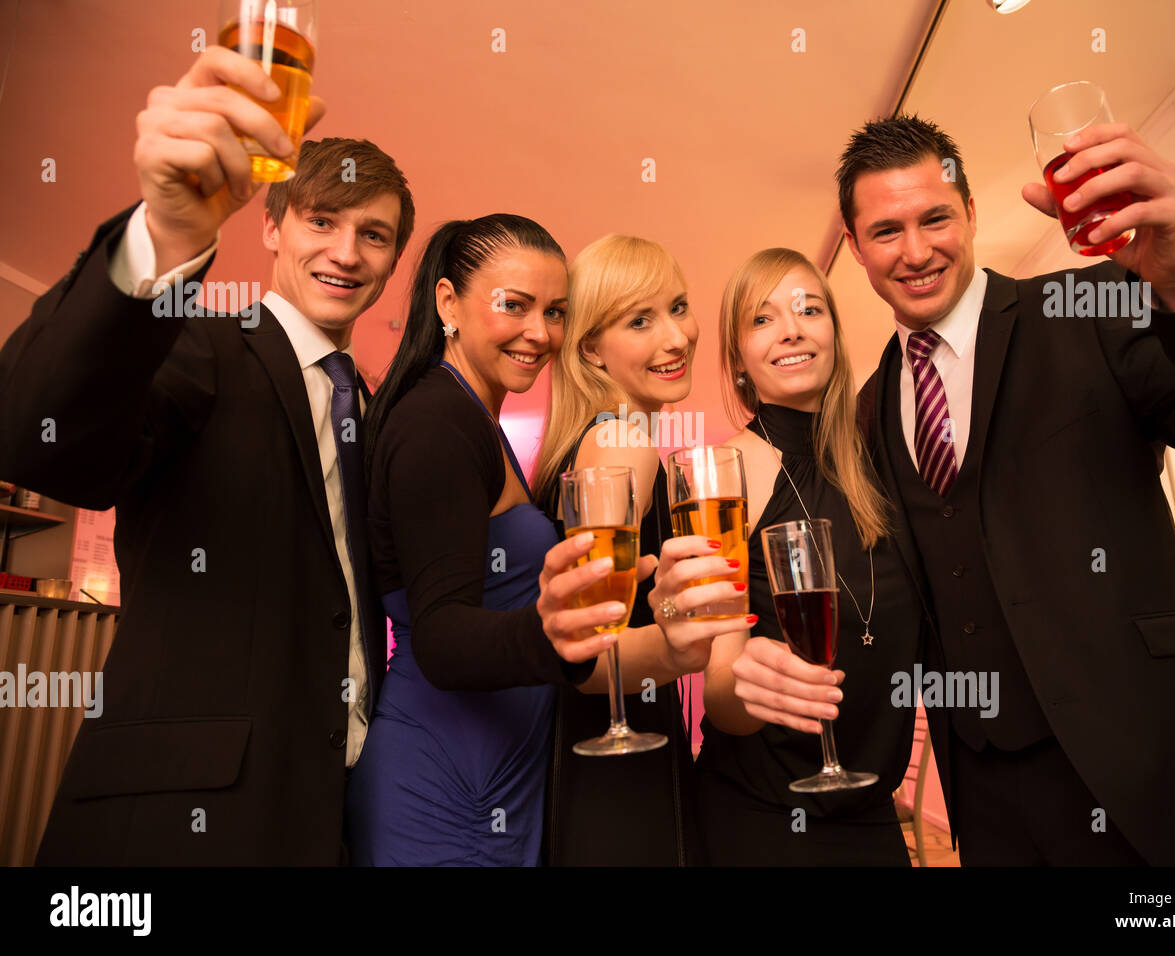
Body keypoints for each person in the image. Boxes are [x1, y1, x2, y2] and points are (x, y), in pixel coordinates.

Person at [832, 114, 1175, 864]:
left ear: (972, 212)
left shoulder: (1093, 303)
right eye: (886, 231)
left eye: (936, 218)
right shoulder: (865, 411)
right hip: (996, 802)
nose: (916, 252)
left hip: (1166, 763)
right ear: (854, 247)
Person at [0, 48, 415, 864]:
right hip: (179, 820)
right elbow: (32, 432)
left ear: (394, 261)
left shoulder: (376, 409)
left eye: (375, 235)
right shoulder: (203, 345)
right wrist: (165, 236)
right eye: (321, 221)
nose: (347, 252)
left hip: (339, 807)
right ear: (269, 224)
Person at [345, 216, 653, 866]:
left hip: (495, 778)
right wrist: (555, 635)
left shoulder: (474, 419)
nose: (539, 333)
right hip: (443, 783)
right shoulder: (438, 421)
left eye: (556, 312)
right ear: (449, 302)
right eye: (514, 305)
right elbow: (443, 640)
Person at [692, 248, 924, 866]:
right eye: (761, 319)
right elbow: (719, 691)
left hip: (873, 810)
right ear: (739, 361)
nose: (791, 328)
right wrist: (750, 683)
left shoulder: (887, 464)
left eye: (808, 309)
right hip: (761, 814)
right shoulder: (724, 477)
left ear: (834, 335)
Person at [532, 234, 736, 865]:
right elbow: (592, 656)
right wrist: (681, 647)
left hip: (592, 751)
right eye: (639, 321)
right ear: (590, 348)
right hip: (621, 759)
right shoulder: (623, 441)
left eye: (677, 307)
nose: (675, 338)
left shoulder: (589, 439)